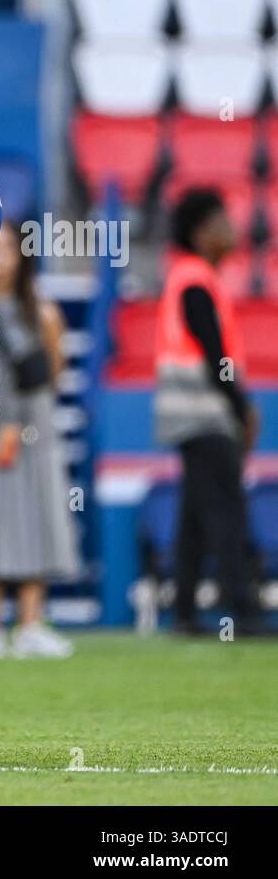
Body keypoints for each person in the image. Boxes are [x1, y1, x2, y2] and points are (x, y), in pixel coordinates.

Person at [154, 189, 262, 635]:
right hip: (203, 413)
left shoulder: (188, 277)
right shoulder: (196, 281)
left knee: (196, 516)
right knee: (227, 510)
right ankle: (245, 609)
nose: (231, 231)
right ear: (201, 233)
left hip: (186, 416)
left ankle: (182, 612)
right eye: (221, 222)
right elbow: (217, 356)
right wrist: (242, 408)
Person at [0, 222, 79, 657]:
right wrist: (3, 422)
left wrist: (22, 426)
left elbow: (52, 374)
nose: (2, 258)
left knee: (36, 512)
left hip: (34, 429)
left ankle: (33, 622)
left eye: (10, 248)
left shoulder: (43, 312)